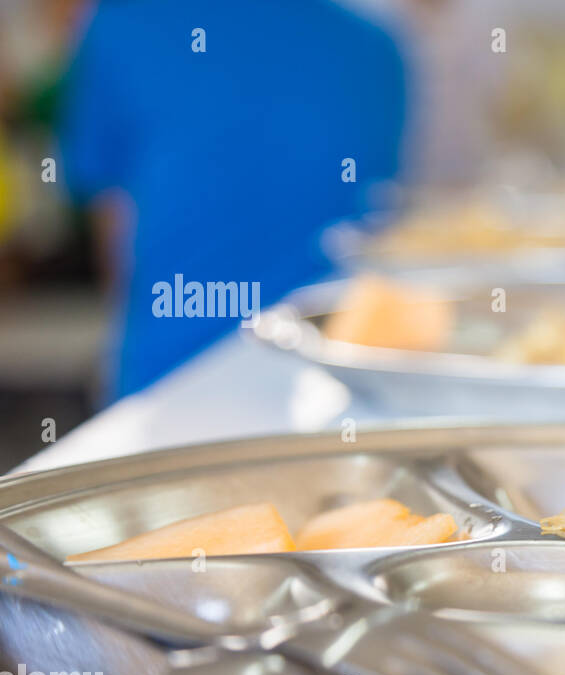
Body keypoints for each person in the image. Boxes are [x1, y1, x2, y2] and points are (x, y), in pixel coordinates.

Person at [58, 0, 410, 401]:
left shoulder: (120, 24)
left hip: (167, 386)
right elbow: (376, 221)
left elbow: (114, 225)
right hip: (341, 386)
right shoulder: (378, 44)